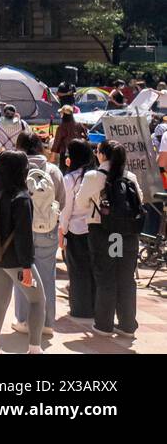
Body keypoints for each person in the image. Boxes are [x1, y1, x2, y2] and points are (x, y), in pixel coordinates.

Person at [74, 140, 142, 339]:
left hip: (103, 231)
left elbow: (80, 203)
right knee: (126, 277)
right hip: (128, 234)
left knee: (105, 276)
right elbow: (140, 198)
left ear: (102, 155)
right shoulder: (130, 176)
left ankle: (104, 324)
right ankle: (128, 324)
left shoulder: (93, 176)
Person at [0, 150, 44, 354]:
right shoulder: (22, 197)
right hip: (16, 260)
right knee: (37, 300)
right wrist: (27, 266)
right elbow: (24, 236)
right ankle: (34, 348)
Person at [12, 131, 64, 338]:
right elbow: (62, 200)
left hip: (22, 229)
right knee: (47, 276)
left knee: (22, 274)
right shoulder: (53, 170)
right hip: (48, 229)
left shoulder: (17, 168)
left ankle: (24, 320)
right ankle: (47, 322)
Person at [58, 139, 97, 324]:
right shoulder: (94, 176)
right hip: (94, 229)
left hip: (75, 230)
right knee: (92, 269)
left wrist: (62, 231)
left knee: (77, 271)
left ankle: (81, 309)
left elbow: (66, 209)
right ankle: (95, 306)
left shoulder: (70, 179)